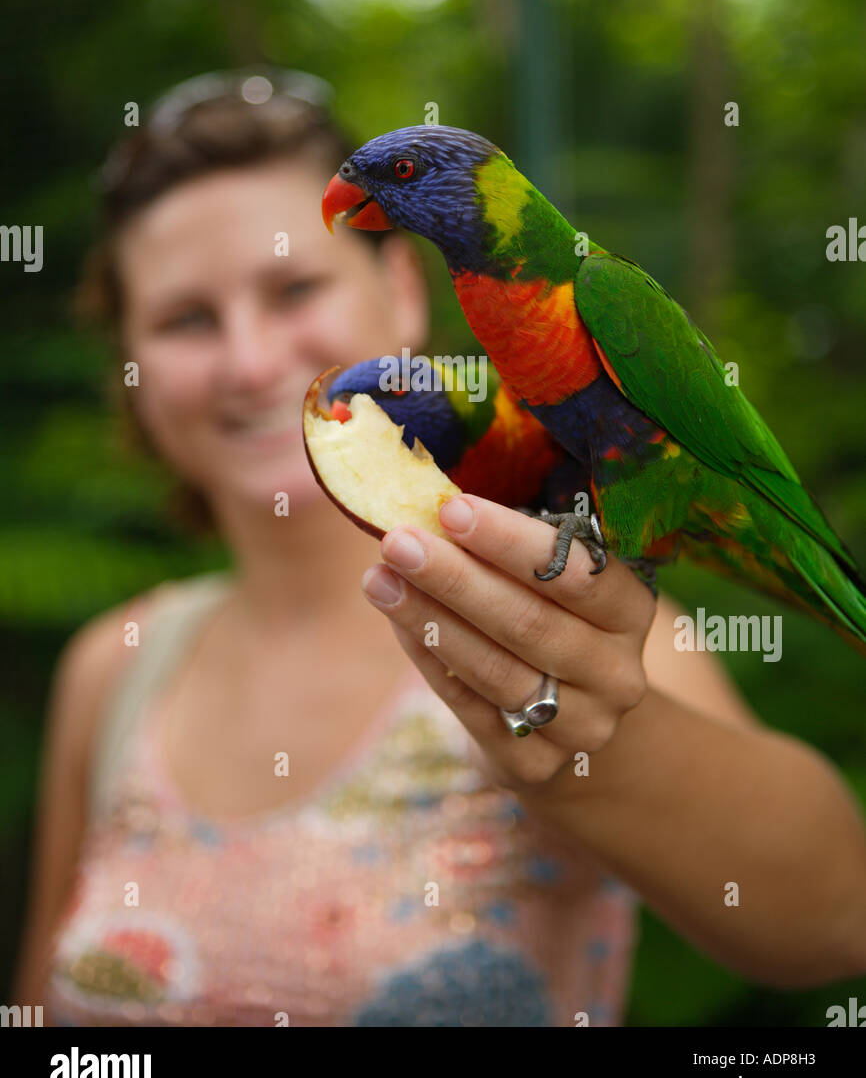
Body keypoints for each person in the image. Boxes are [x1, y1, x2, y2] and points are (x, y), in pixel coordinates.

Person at [12, 69, 866, 1027]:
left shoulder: (567, 597)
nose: (250, 360)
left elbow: (834, 916)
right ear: (127, 363)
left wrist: (600, 735)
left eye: (293, 287)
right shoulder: (116, 666)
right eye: (185, 319)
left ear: (400, 288)